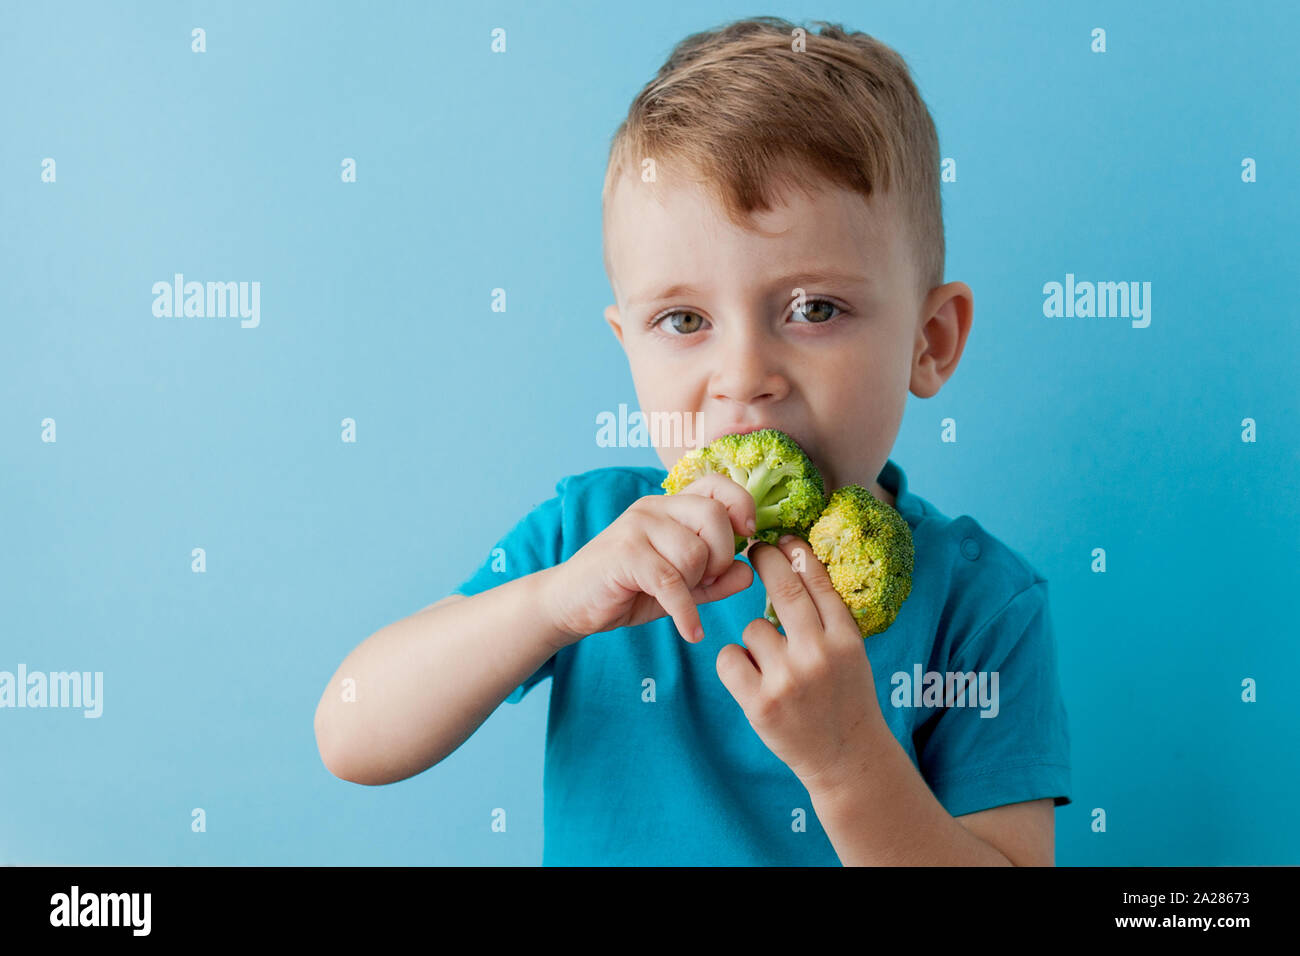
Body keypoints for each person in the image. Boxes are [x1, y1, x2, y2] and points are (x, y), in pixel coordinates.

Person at [314, 16, 1071, 866]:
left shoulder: (981, 604)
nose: (743, 375)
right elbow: (349, 729)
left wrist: (850, 763)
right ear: (627, 344)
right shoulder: (587, 535)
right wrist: (553, 605)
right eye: (683, 320)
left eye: (815, 309)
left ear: (929, 342)